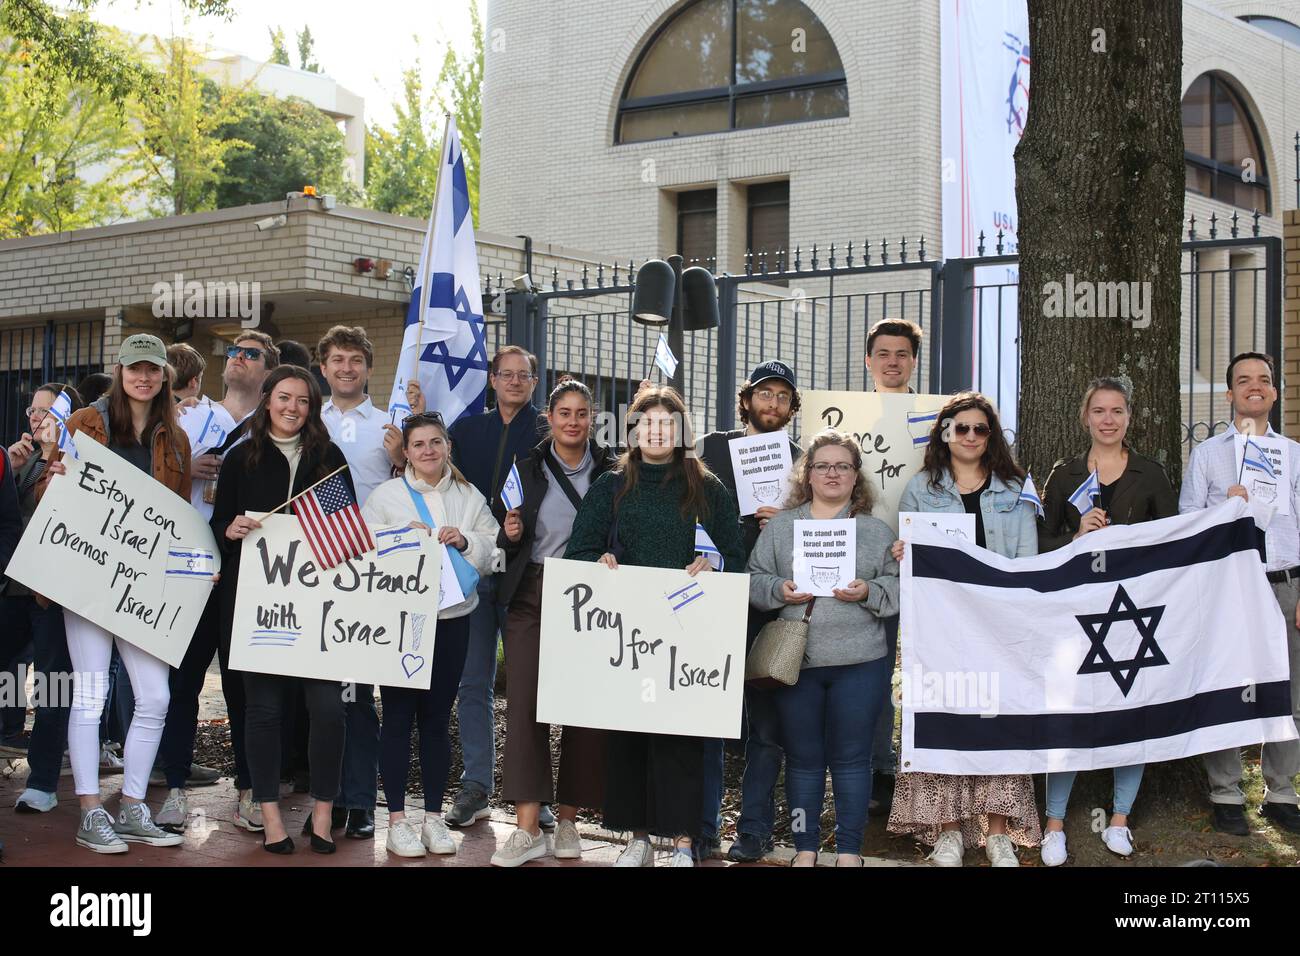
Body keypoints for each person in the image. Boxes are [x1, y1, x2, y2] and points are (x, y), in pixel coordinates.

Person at [564, 386, 744, 867]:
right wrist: (598, 561)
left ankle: (684, 841)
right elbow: (578, 550)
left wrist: (715, 567)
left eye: (668, 423)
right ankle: (638, 837)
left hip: (689, 632)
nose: (658, 431)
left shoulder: (708, 488)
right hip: (628, 632)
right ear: (634, 430)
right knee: (630, 736)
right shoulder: (611, 485)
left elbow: (736, 558)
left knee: (682, 738)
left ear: (683, 431)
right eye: (648, 422)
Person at [36, 334, 194, 854]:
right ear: (120, 371)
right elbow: (49, 490)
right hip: (88, 572)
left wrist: (194, 566)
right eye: (134, 368)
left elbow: (177, 517)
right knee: (91, 690)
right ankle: (88, 811)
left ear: (163, 376)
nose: (143, 377)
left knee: (155, 696)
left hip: (144, 580)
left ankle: (131, 806)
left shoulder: (175, 437)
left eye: (152, 369)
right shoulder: (87, 422)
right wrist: (53, 476)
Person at [886, 391, 1041, 867]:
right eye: (960, 428)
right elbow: (915, 560)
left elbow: (1027, 562)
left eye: (980, 428)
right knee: (942, 722)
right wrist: (903, 555)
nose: (970, 436)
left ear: (990, 436)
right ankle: (948, 832)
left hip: (999, 627)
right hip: (941, 631)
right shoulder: (920, 489)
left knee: (998, 726)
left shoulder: (1017, 489)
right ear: (945, 433)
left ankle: (998, 834)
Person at [211, 365, 353, 854]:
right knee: (264, 710)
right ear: (267, 399)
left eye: (303, 401)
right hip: (257, 609)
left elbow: (346, 533)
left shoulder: (329, 458)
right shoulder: (240, 459)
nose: (293, 408)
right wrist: (229, 532)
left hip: (318, 611)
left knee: (328, 710)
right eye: (284, 398)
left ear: (312, 409)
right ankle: (269, 816)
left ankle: (322, 814)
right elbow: (217, 527)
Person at [1036, 377, 1178, 864]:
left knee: (1132, 711)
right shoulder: (1065, 475)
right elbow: (1039, 547)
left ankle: (1120, 819)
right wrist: (1076, 537)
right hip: (1075, 614)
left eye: (1117, 411)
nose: (1109, 419)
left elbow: (1173, 546)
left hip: (1135, 614)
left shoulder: (1152, 474)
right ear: (1086, 418)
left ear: (1129, 418)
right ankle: (1054, 823)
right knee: (1071, 713)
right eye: (1099, 410)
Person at [748, 429, 899, 866]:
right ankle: (806, 849)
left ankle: (850, 851)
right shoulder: (782, 527)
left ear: (856, 477)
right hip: (799, 663)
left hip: (861, 663)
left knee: (853, 760)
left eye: (843, 466)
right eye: (823, 465)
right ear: (807, 475)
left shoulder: (874, 531)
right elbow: (754, 580)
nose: (833, 473)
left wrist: (868, 590)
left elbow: (896, 591)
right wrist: (781, 589)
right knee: (803, 759)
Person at [489, 381, 619, 866]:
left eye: (581, 413)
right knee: (525, 705)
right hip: (533, 594)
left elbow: (624, 530)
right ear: (549, 416)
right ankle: (526, 827)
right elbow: (507, 536)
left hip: (591, 598)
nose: (572, 421)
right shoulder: (526, 466)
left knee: (583, 709)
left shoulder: (612, 470)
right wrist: (511, 533)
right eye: (564, 412)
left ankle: (567, 820)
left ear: (592, 418)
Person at [360, 412, 499, 857]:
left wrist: (464, 542)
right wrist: (402, 537)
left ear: (447, 447)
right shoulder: (386, 496)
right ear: (406, 452)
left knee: (438, 721)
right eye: (418, 444)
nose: (427, 451)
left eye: (435, 443)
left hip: (454, 618)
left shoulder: (467, 494)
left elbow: (492, 545)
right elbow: (363, 545)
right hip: (403, 622)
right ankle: (397, 821)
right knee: (399, 716)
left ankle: (434, 818)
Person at [155, 333, 278, 834]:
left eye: (250, 354)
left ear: (268, 370)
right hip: (186, 565)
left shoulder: (273, 428)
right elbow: (151, 481)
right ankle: (175, 788)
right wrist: (189, 473)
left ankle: (250, 792)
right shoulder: (185, 416)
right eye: (233, 352)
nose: (237, 358)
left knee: (240, 685)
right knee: (181, 681)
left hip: (243, 572)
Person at [1180, 351, 1300, 836]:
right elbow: (1187, 521)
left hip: (1285, 583)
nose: (1256, 386)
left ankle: (1282, 792)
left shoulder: (1293, 454)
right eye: (1244, 380)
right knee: (1226, 686)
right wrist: (1222, 511)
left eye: (1264, 380)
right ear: (1229, 394)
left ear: (1274, 393)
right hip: (1228, 587)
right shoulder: (1208, 454)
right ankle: (1226, 792)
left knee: (1290, 690)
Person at [695, 360, 802, 862]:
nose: (773, 404)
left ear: (791, 408)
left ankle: (754, 830)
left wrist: (789, 521)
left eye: (783, 397)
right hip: (715, 597)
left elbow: (823, 534)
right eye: (765, 394)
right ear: (747, 401)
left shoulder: (803, 461)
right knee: (709, 715)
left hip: (772, 605)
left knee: (767, 725)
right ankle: (701, 826)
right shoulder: (714, 448)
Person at [444, 345, 543, 827]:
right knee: (473, 682)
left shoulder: (547, 430)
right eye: (506, 374)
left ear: (534, 382)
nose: (514, 382)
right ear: (491, 379)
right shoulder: (465, 431)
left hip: (527, 572)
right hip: (474, 569)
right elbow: (446, 486)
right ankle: (476, 784)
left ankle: (534, 794)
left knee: (531, 688)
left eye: (523, 375)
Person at [316, 325, 408, 839]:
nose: (346, 368)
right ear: (324, 367)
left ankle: (361, 800)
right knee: (327, 699)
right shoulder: (307, 417)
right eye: (337, 360)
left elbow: (418, 482)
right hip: (319, 570)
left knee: (363, 697)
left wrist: (399, 461)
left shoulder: (389, 427)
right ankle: (327, 798)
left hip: (376, 574)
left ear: (368, 368)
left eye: (355, 359)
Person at [5, 385, 81, 813]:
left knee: (53, 683)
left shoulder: (75, 458)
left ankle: (43, 779)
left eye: (47, 412)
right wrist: (12, 473)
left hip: (49, 592)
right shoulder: (24, 459)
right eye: (33, 412)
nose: (37, 419)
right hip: (13, 587)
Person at [864, 318, 923, 816]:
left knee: (929, 669)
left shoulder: (934, 421)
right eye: (883, 353)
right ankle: (876, 766)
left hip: (925, 558)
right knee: (874, 669)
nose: (892, 362)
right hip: (865, 561)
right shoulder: (845, 419)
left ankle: (926, 767)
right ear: (868, 361)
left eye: (901, 353)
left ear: (913, 362)